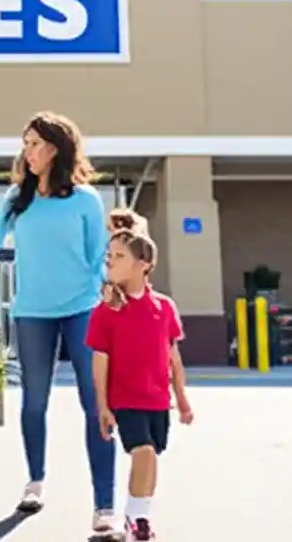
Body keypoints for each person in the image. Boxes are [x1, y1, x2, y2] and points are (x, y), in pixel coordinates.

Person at [0, 110, 117, 535]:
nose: (28, 152)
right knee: (34, 401)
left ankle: (105, 504)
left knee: (95, 405)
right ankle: (35, 482)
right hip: (33, 312)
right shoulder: (18, 198)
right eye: (26, 143)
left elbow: (97, 259)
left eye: (35, 143)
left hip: (82, 311)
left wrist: (109, 300)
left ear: (55, 148)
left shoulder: (86, 200)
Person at [86, 209, 194, 541]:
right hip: (125, 399)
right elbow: (99, 362)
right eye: (109, 256)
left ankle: (139, 517)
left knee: (151, 459)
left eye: (119, 256)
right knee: (143, 451)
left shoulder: (164, 307)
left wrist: (183, 399)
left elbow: (172, 356)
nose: (110, 262)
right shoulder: (106, 311)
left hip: (158, 399)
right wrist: (103, 407)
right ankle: (135, 520)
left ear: (143, 264)